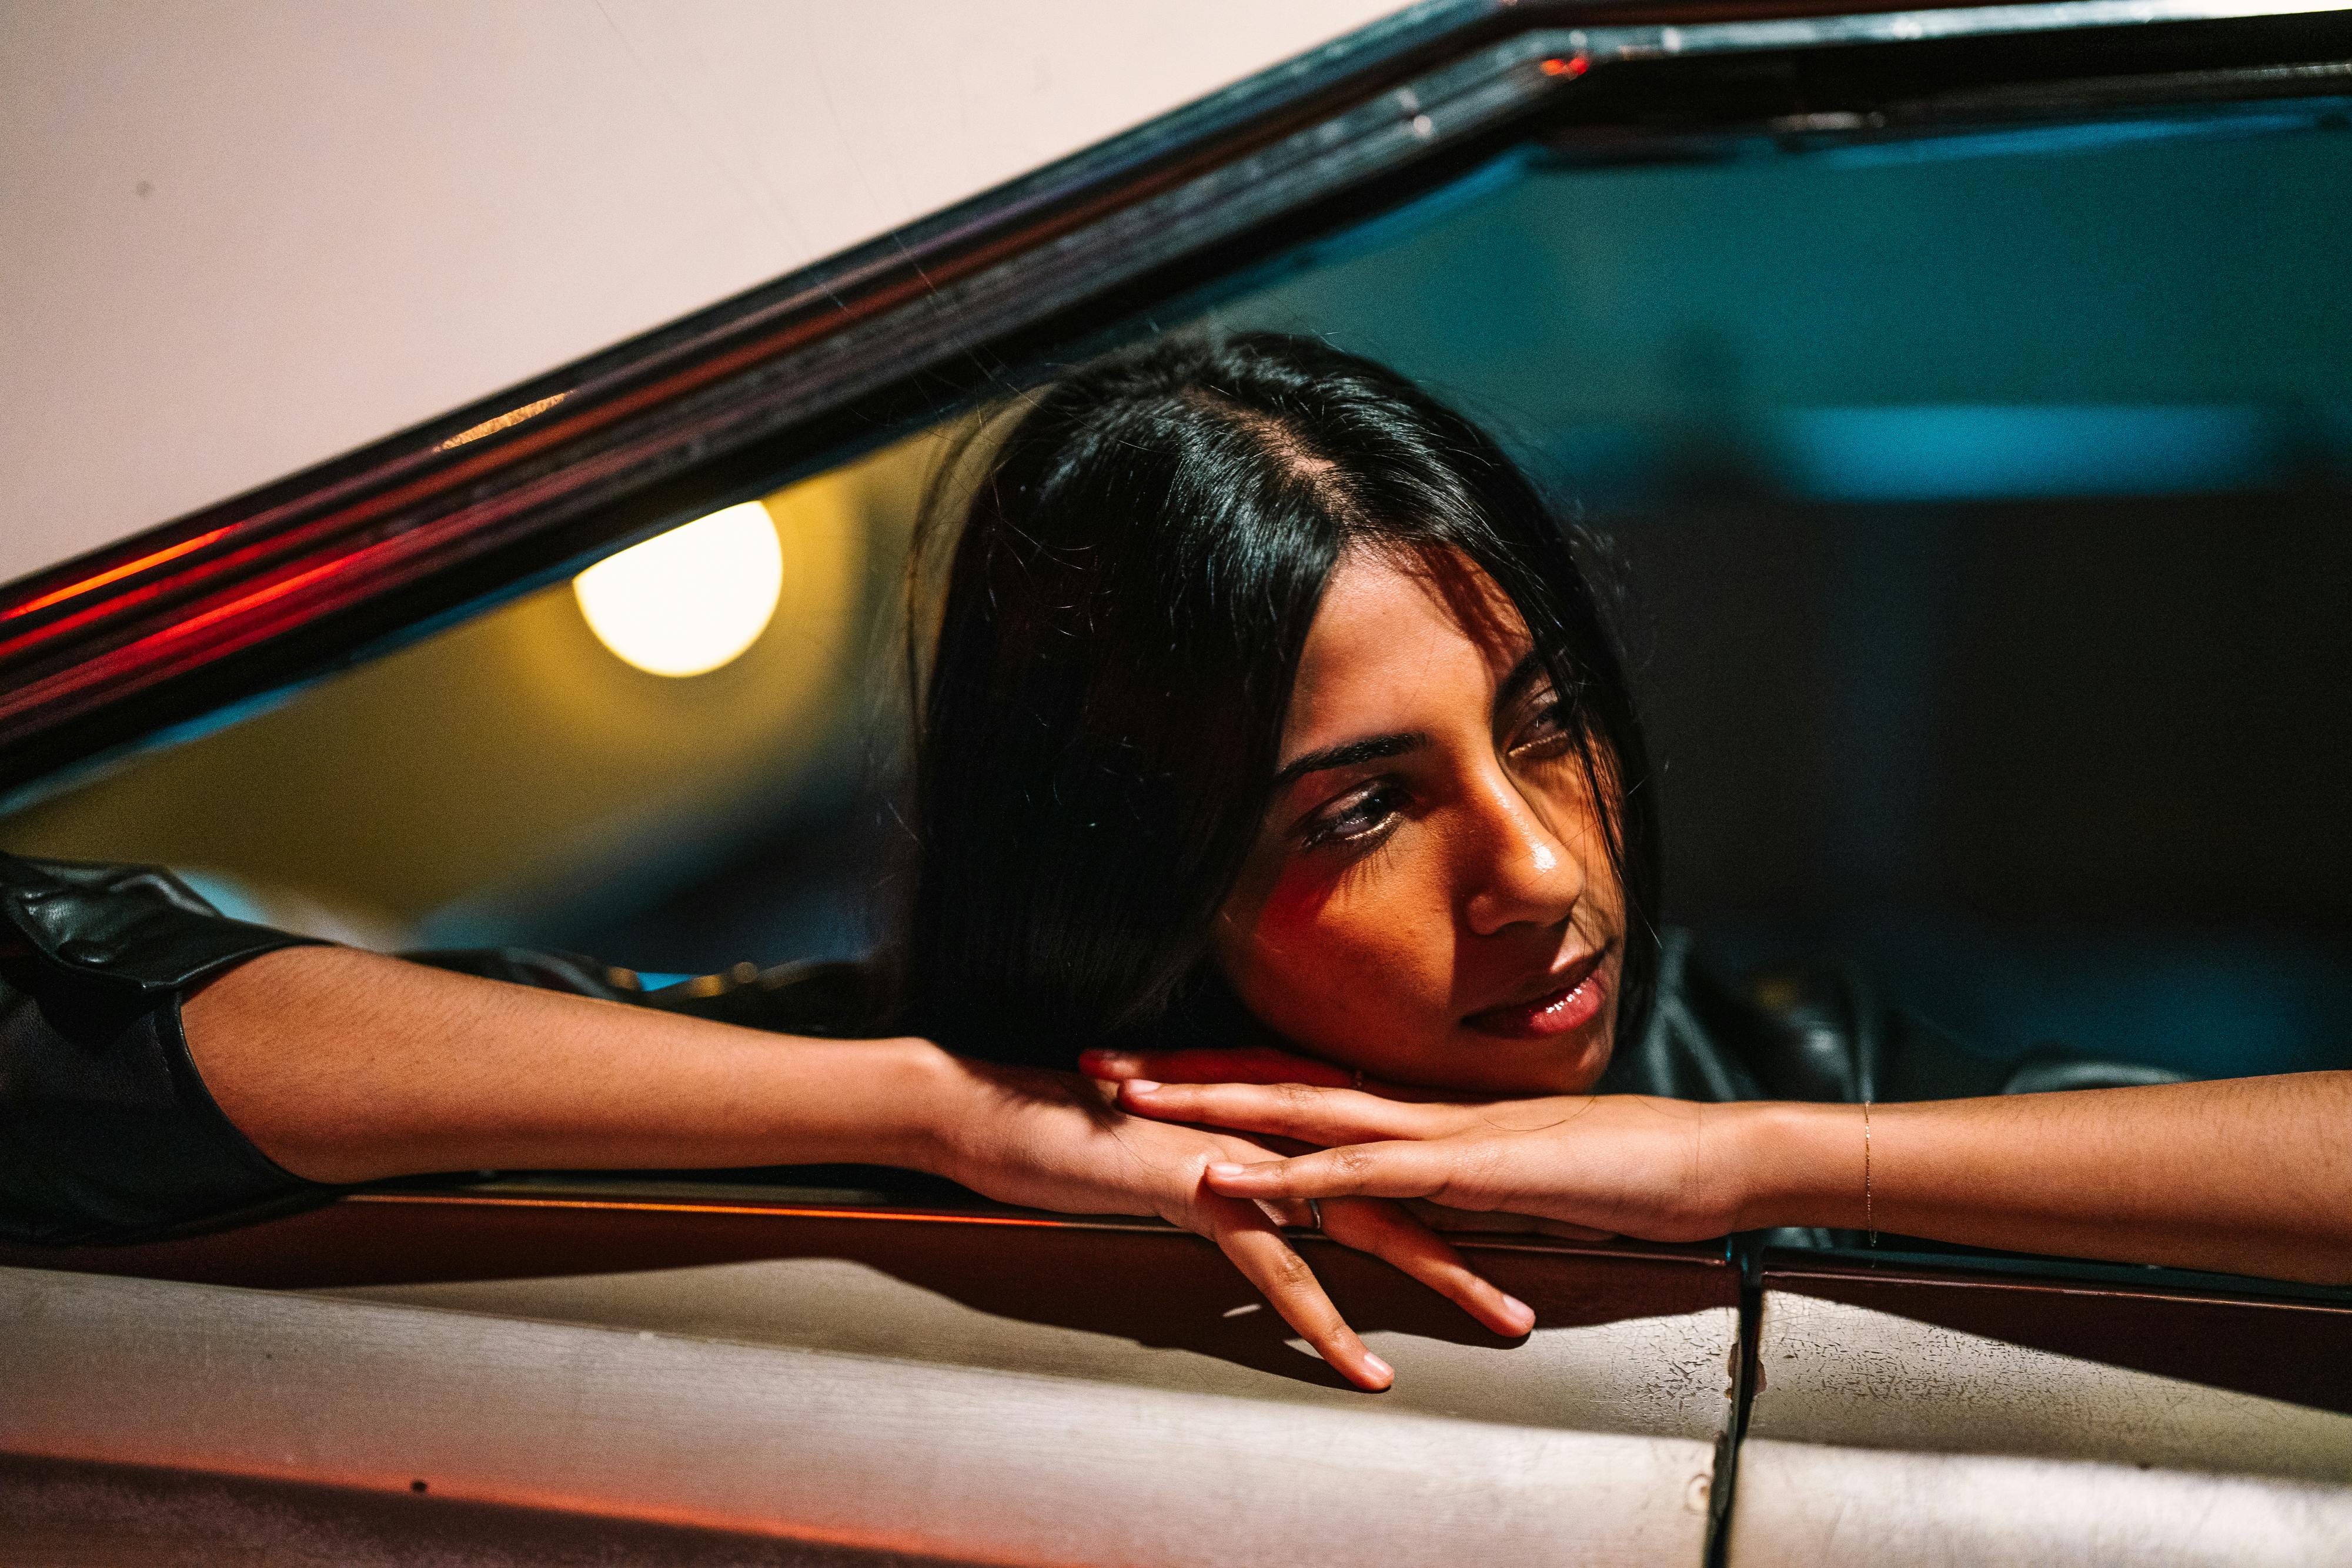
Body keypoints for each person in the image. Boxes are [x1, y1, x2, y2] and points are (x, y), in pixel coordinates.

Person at [4, 335, 2344, 1387]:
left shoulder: (1786, 1061)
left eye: (1540, 727)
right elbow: (64, 1040)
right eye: (1356, 807)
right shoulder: (927, 1123)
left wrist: (1763, 1149)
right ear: (1134, 871)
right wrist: (929, 1110)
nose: (1537, 866)